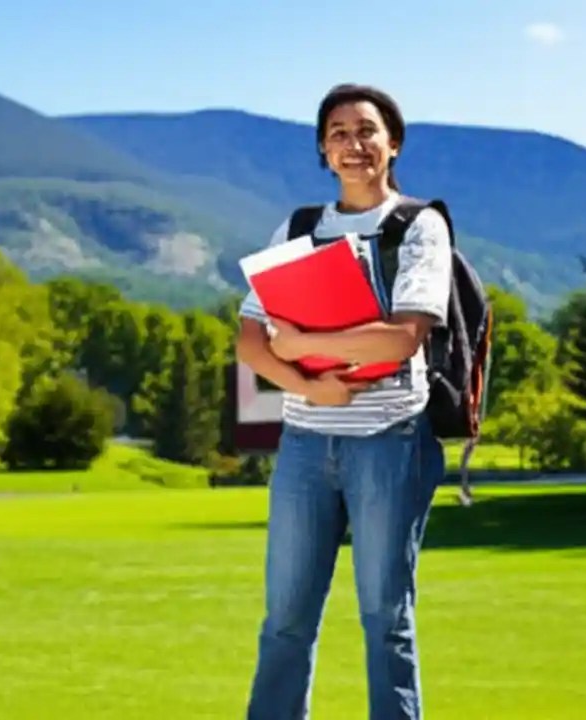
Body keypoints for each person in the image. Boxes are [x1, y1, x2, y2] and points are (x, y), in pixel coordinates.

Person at [236, 83, 453, 720]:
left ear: (394, 144)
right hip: (304, 444)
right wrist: (308, 384)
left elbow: (403, 333)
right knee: (285, 620)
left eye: (366, 130)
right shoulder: (299, 228)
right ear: (323, 152)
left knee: (386, 616)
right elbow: (251, 339)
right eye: (337, 133)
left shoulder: (418, 225)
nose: (353, 144)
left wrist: (303, 339)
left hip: (390, 443)